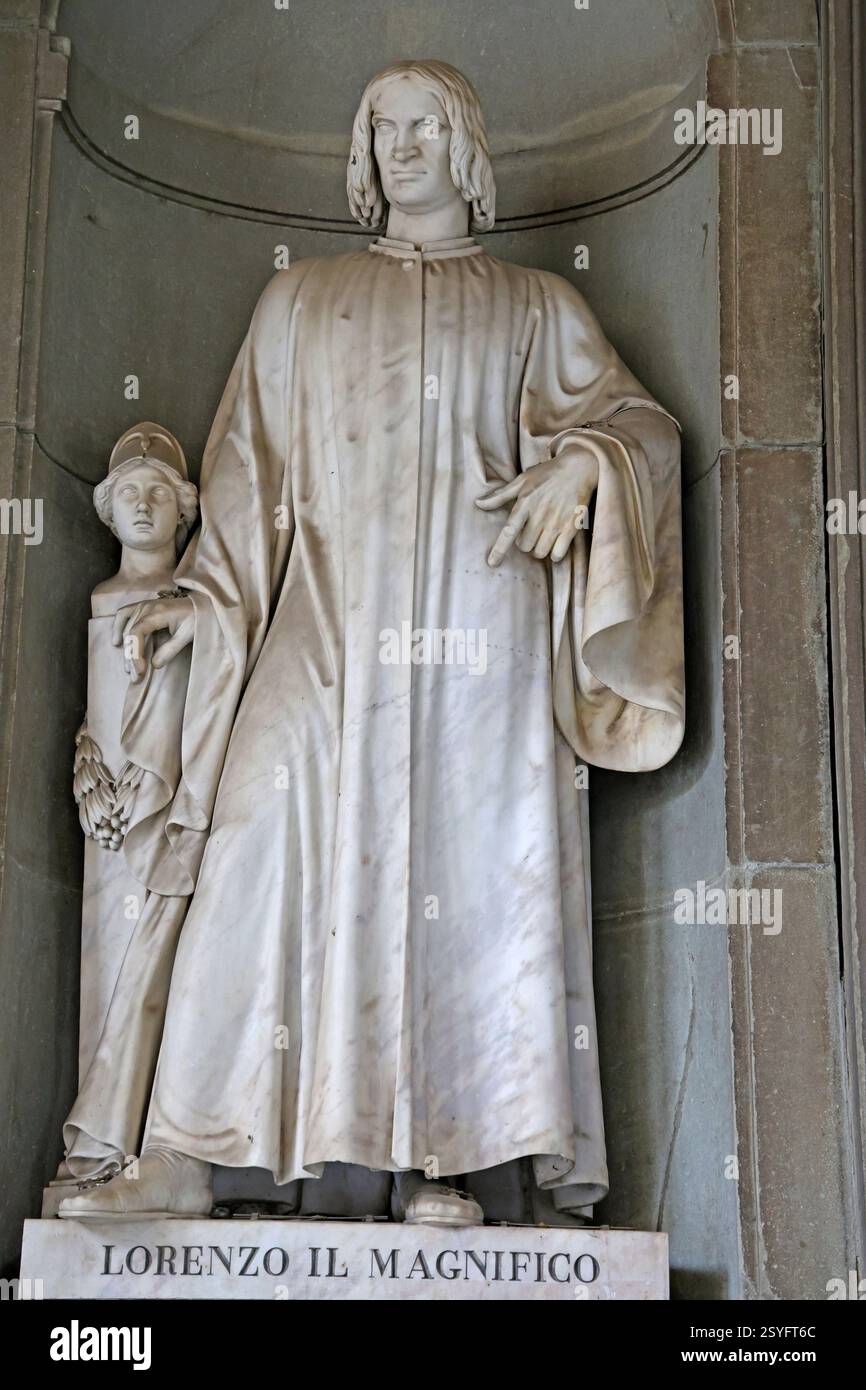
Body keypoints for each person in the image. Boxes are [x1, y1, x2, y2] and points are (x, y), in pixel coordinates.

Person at [60, 60, 684, 1228]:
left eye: (423, 124)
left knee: (462, 871)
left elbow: (640, 428)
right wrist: (201, 596)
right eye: (380, 126)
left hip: (477, 644)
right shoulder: (300, 301)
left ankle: (439, 1154)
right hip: (324, 623)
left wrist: (580, 469)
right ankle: (190, 1148)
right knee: (248, 841)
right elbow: (243, 480)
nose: (400, 146)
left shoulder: (536, 306)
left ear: (465, 144)